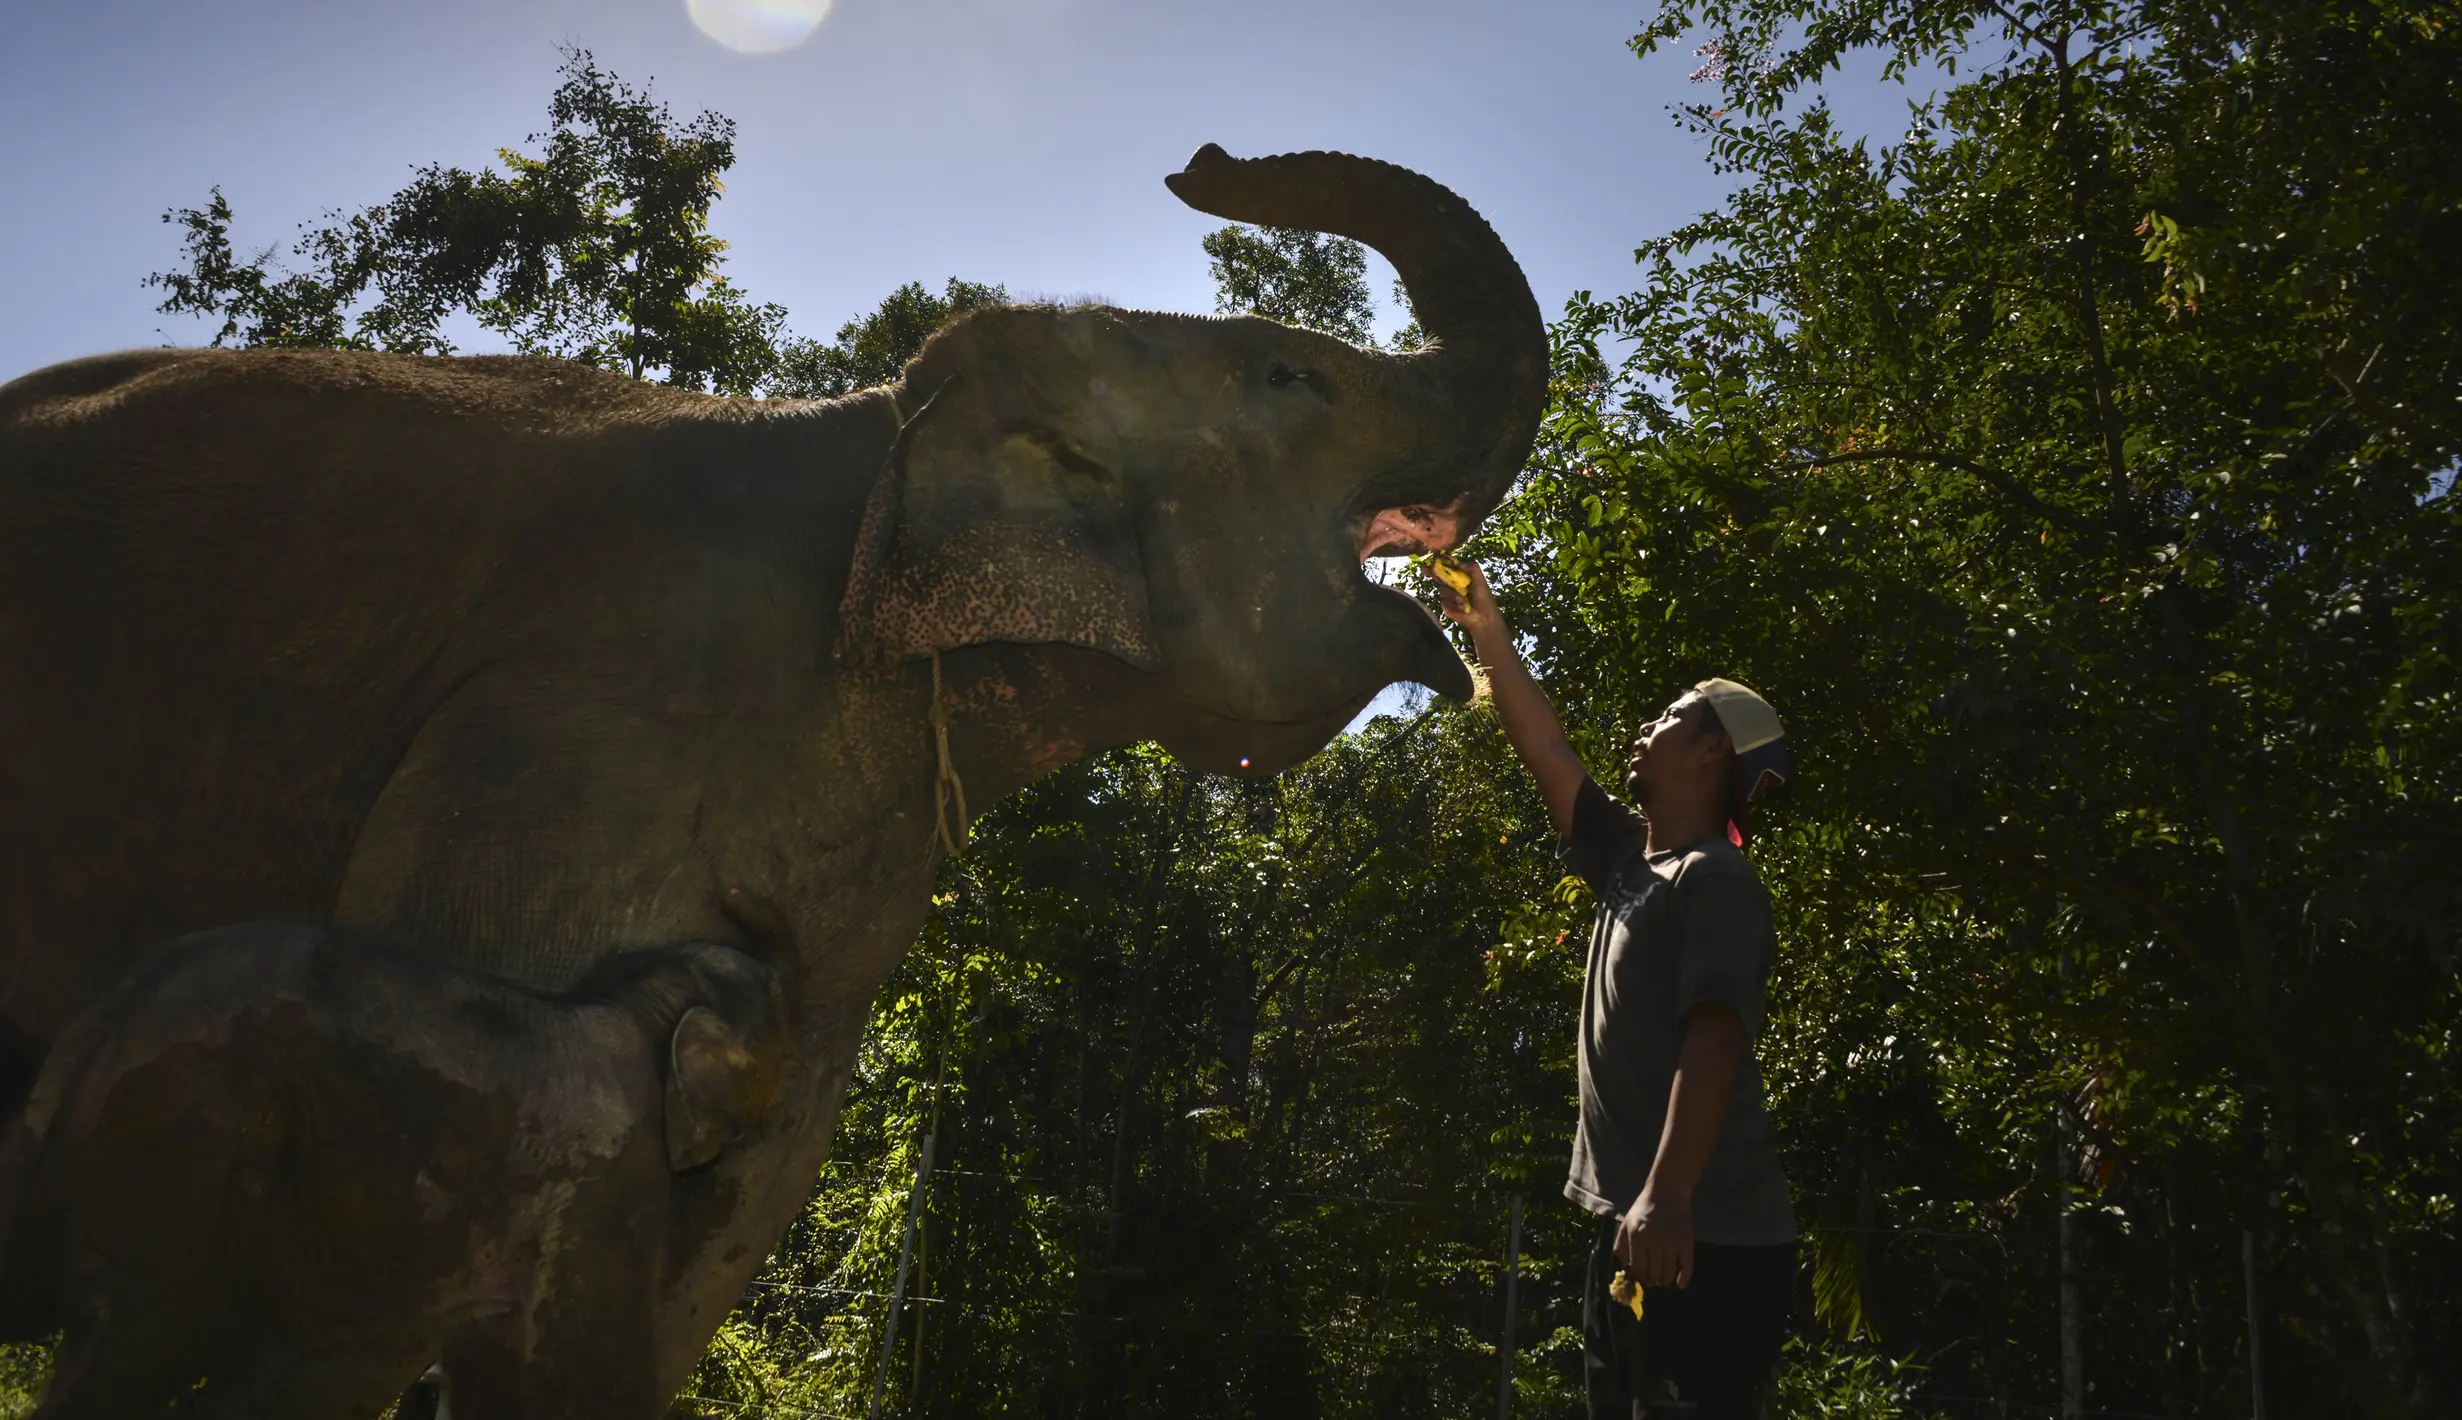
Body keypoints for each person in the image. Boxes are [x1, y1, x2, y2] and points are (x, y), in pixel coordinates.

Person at [1438, 560, 1796, 1420]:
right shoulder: (1633, 862)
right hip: (1636, 1228)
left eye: (1671, 716)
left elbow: (1714, 1039)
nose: (1647, 725)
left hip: (1701, 1238)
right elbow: (1545, 746)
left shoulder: (1714, 880)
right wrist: (1484, 628)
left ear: (1714, 752)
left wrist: (1668, 1197)